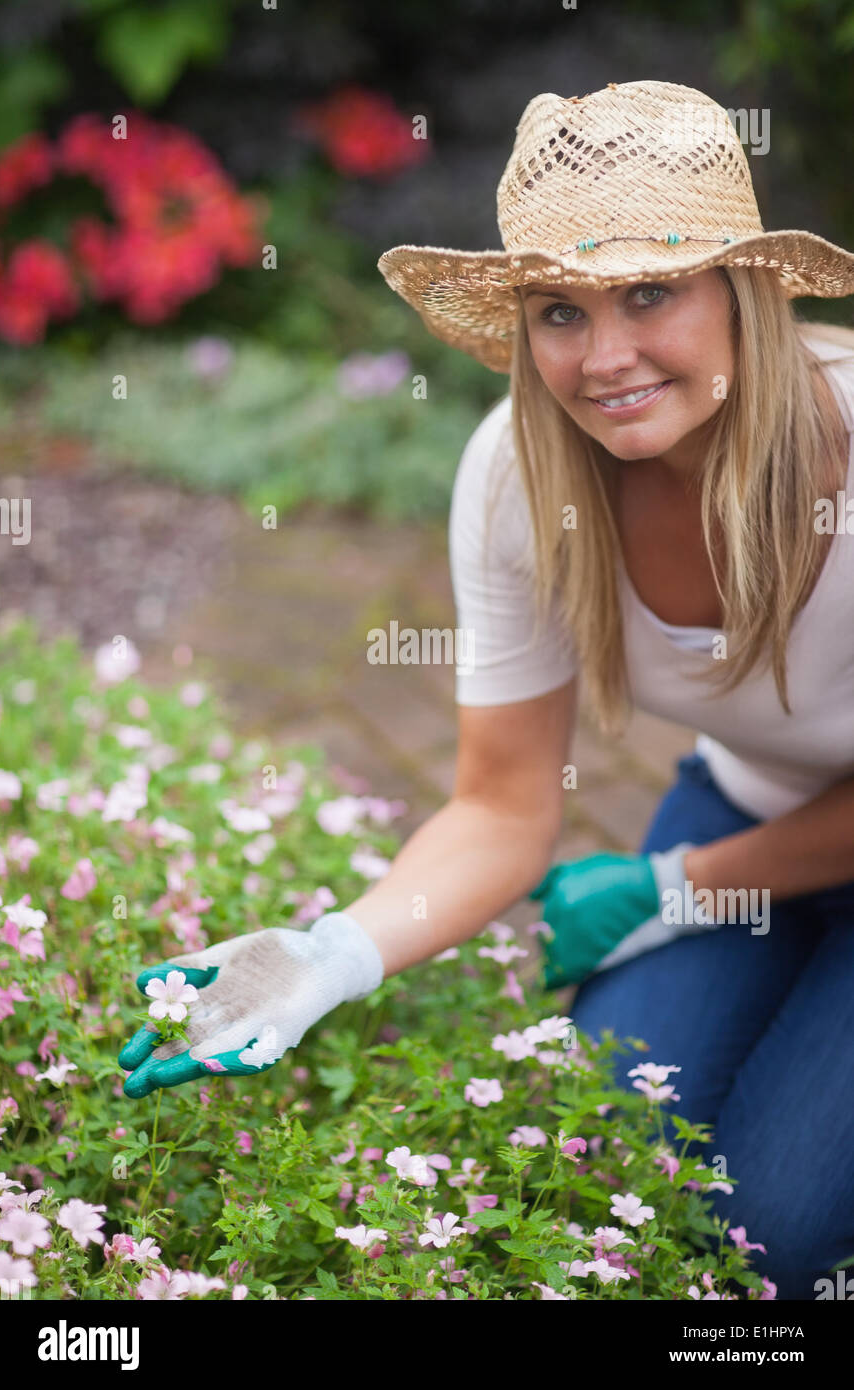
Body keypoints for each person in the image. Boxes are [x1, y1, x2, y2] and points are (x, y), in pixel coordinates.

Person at [118, 80, 854, 1300]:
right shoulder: (520, 477)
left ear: (744, 290)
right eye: (560, 309)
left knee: (772, 1223)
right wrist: (327, 955)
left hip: (726, 858)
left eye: (649, 292)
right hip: (749, 805)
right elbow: (504, 806)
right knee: (609, 1153)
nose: (603, 357)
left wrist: (673, 887)